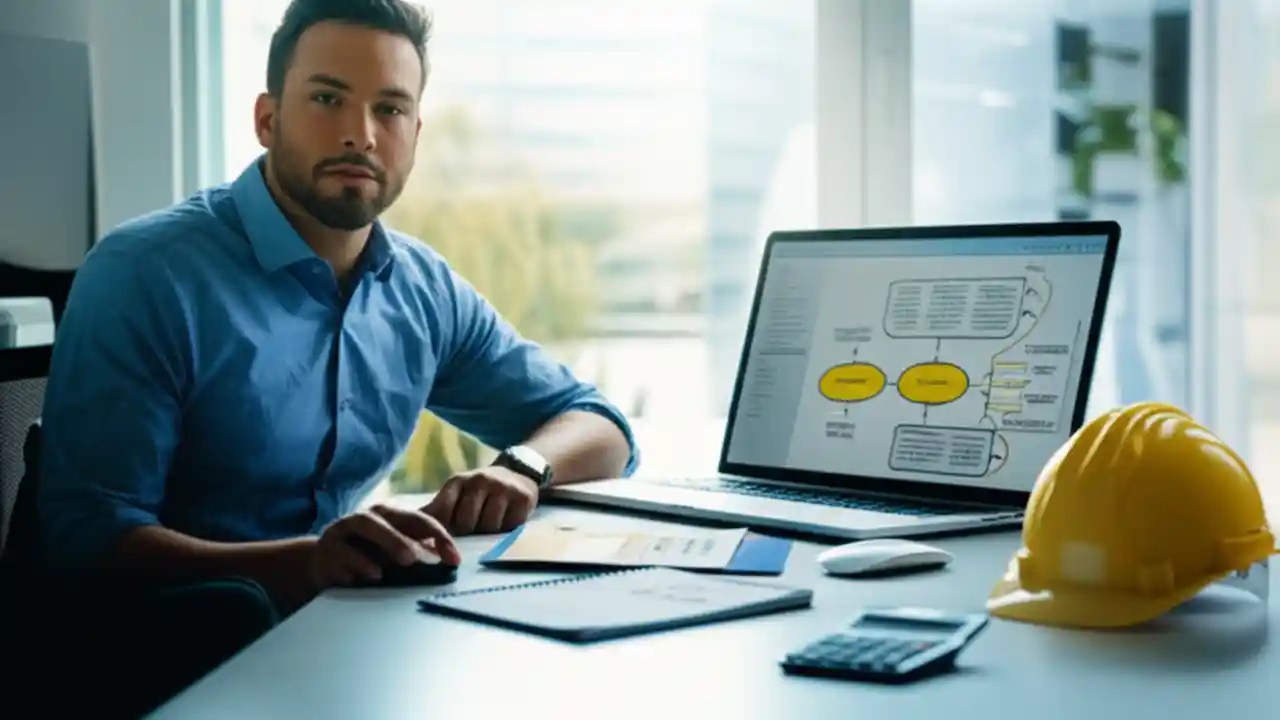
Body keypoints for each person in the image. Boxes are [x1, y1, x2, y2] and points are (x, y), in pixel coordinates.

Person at [21, 0, 638, 716]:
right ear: (266, 117)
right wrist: (304, 563)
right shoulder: (145, 274)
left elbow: (599, 424)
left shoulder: (422, 290)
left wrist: (522, 468)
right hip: (144, 669)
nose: (360, 134)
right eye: (327, 98)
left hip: (335, 651)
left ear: (414, 134)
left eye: (391, 109)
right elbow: (88, 544)